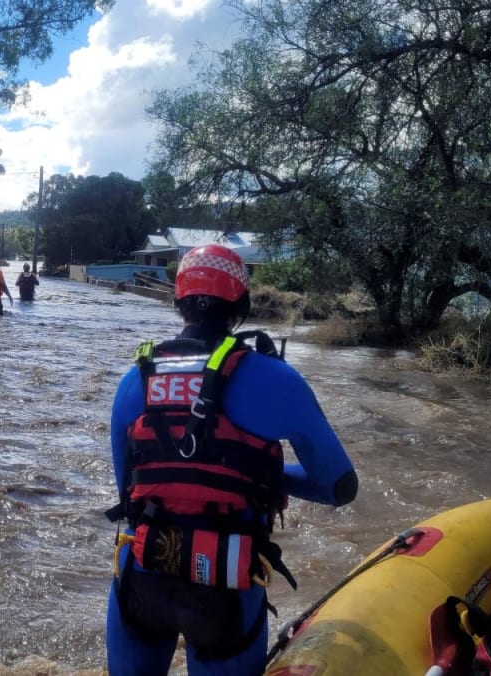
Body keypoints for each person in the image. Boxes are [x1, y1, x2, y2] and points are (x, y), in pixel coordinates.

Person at [104, 244, 358, 676]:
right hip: (226, 581)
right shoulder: (278, 379)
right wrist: (267, 476)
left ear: (179, 301)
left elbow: (127, 488)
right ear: (241, 304)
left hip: (143, 575)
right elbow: (339, 487)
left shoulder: (136, 379)